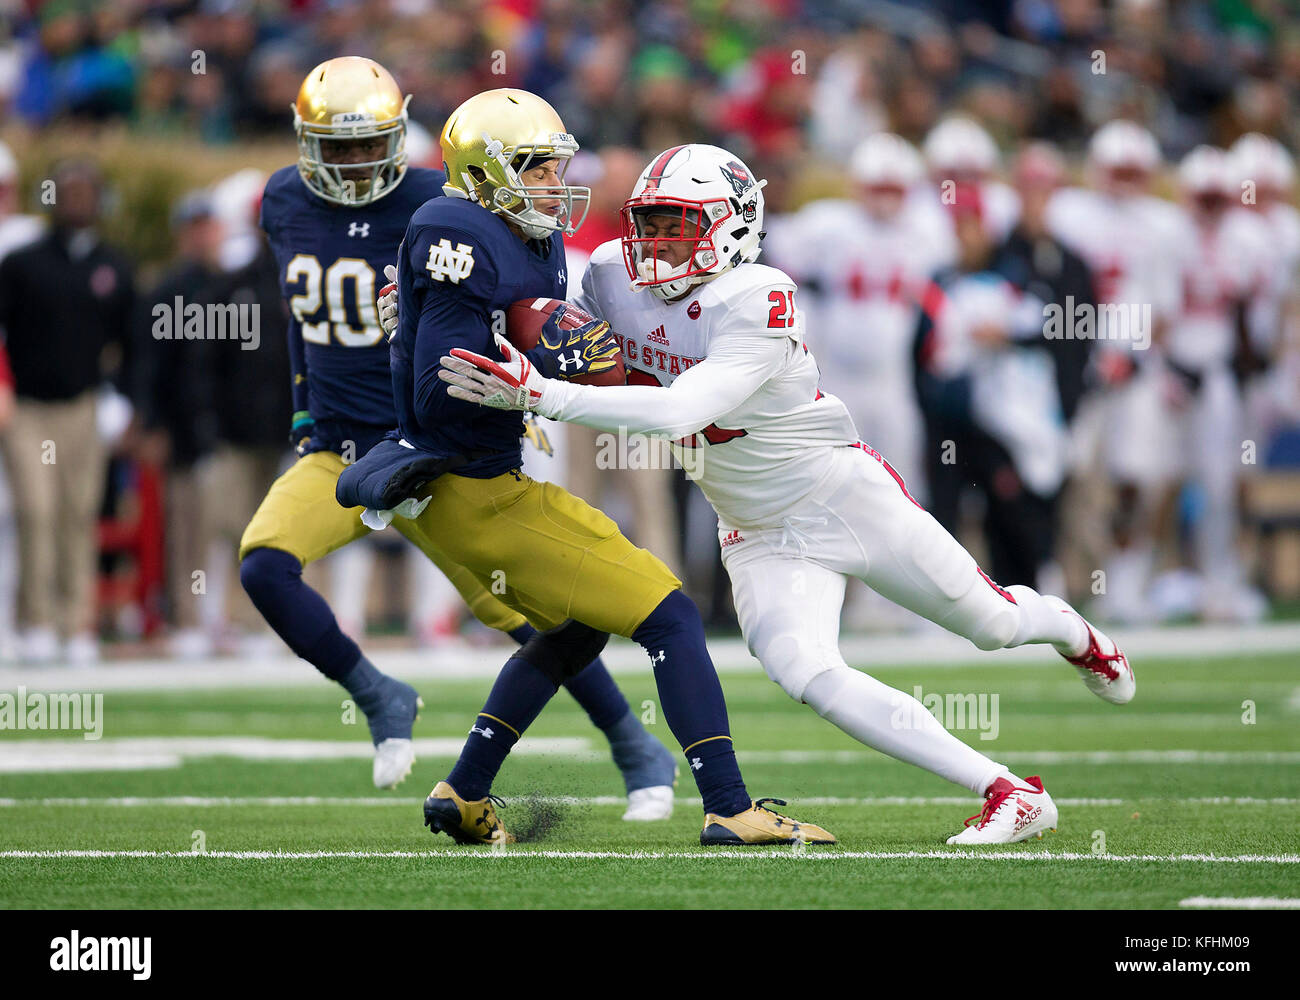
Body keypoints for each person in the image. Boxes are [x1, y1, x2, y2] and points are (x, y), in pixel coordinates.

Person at [438, 143, 1136, 845]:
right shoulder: (614, 273)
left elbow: (683, 410)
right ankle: (1008, 790)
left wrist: (544, 396)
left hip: (837, 494)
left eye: (677, 225)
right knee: (807, 671)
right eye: (648, 224)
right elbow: (549, 327)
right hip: (752, 525)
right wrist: (435, 308)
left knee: (994, 625)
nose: (655, 243)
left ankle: (1073, 632)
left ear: (733, 225)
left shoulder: (757, 295)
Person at [347, 92, 833, 847]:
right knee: (669, 615)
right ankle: (730, 807)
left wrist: (544, 367)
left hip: (482, 483)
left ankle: (464, 792)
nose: (553, 184)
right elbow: (438, 387)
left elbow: (513, 324)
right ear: (486, 171)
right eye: (537, 169)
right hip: (467, 485)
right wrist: (528, 369)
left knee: (577, 631)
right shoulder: (456, 227)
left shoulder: (522, 235)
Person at [239, 59, 675, 813]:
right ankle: (377, 694)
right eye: (332, 148)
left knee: (525, 614)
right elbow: (299, 321)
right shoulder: (282, 200)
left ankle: (635, 747)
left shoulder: (439, 203)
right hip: (346, 448)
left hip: (439, 452)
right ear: (304, 141)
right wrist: (306, 405)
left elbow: (508, 300)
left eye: (363, 144)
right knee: (263, 565)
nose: (348, 164)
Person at [0, 157, 135, 664]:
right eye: (67, 192)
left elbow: (132, 342)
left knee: (78, 514)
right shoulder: (22, 264)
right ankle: (35, 620)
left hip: (83, 407)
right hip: (30, 411)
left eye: (85, 192)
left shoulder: (113, 266)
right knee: (36, 511)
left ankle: (76, 623)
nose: (76, 201)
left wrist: (121, 399)